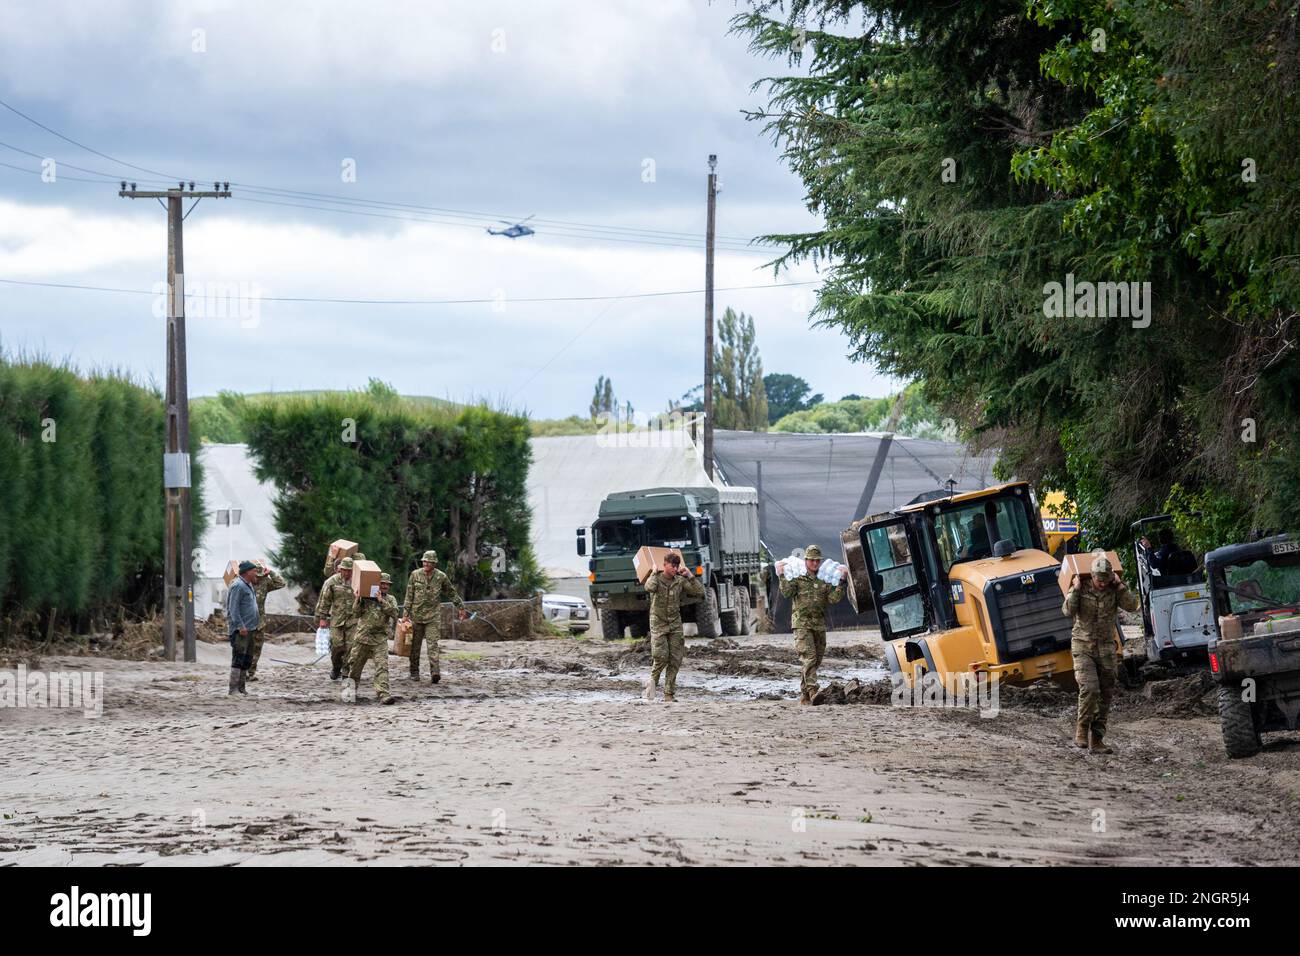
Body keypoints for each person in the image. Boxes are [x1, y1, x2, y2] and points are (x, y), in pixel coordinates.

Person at [1062, 552, 1139, 753]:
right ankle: (1081, 729)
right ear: (1092, 576)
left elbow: (1133, 606)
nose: (1102, 584)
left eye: (1106, 580)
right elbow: (1067, 611)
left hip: (1105, 646)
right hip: (1082, 645)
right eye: (1098, 579)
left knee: (1106, 692)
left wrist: (1121, 587)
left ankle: (1097, 739)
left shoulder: (1114, 589)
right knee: (1090, 688)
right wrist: (1075, 589)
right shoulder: (1080, 586)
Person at [777, 545, 846, 705]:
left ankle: (805, 695)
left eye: (817, 560)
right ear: (806, 560)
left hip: (819, 625)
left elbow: (833, 599)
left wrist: (842, 582)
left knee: (816, 661)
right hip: (801, 624)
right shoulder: (797, 577)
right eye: (811, 560)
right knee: (809, 658)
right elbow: (787, 593)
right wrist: (781, 575)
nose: (814, 563)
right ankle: (814, 692)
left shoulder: (825, 579)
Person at [642, 553, 704, 702]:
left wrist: (690, 576)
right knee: (661, 657)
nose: (675, 569)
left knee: (675, 658)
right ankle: (651, 685)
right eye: (672, 566)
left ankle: (669, 694)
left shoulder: (680, 581)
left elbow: (699, 592)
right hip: (658, 623)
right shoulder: (656, 579)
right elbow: (649, 587)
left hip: (675, 623)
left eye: (677, 566)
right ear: (665, 564)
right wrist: (653, 572)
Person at [402, 550, 468, 684]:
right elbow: (409, 595)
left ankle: (435, 672)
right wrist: (405, 614)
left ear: (434, 563)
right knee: (415, 646)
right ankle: (414, 672)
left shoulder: (441, 577)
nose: (426, 563)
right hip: (416, 617)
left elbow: (451, 592)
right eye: (424, 561)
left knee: (433, 645)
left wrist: (460, 607)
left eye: (429, 561)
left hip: (433, 617)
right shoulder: (415, 575)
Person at [343, 572, 399, 705]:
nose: (385, 586)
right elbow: (356, 613)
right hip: (362, 638)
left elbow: (395, 613)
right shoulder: (365, 597)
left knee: (382, 666)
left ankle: (384, 694)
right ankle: (349, 693)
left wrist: (382, 601)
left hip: (380, 640)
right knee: (354, 667)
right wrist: (357, 598)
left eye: (387, 584)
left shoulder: (390, 599)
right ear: (376, 584)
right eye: (382, 583)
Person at [316, 556, 360, 681]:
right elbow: (325, 601)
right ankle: (336, 667)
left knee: (350, 647)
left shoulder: (358, 582)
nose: (347, 573)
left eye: (349, 570)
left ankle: (346, 672)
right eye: (344, 570)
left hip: (353, 620)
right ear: (340, 570)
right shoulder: (332, 582)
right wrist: (322, 618)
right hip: (337, 620)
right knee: (337, 647)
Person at [246, 560, 286, 682]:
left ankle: (251, 673)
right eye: (256, 575)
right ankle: (243, 672)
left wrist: (271, 573)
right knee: (246, 648)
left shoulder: (265, 582)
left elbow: (281, 583)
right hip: (246, 621)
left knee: (257, 648)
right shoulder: (244, 584)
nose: (258, 578)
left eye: (260, 575)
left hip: (260, 621)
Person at [225, 560, 260, 697]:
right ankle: (233, 689)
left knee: (247, 659)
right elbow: (233, 609)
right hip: (241, 630)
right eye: (254, 571)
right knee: (238, 658)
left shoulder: (248, 585)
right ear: (247, 572)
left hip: (250, 628)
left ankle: (241, 688)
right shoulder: (238, 586)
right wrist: (240, 626)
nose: (256, 573)